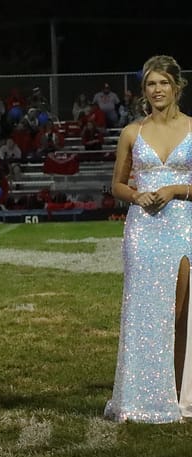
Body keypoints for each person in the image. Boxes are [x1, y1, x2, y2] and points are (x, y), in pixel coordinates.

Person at [105, 55, 192, 423]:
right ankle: (142, 396)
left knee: (181, 310)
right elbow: (116, 185)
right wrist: (136, 195)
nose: (157, 90)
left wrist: (174, 189)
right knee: (145, 312)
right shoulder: (131, 132)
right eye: (150, 84)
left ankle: (181, 395)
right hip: (142, 229)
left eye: (163, 83)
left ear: (176, 86)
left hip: (183, 225)